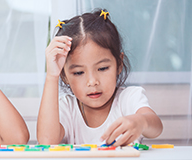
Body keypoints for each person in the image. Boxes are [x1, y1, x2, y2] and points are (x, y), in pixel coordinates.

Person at [37, 9, 163, 146]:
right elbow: (47, 141)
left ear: (119, 64)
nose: (92, 82)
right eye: (79, 72)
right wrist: (52, 76)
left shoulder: (129, 98)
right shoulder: (66, 107)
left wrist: (140, 122)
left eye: (102, 68)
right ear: (65, 76)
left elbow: (156, 127)